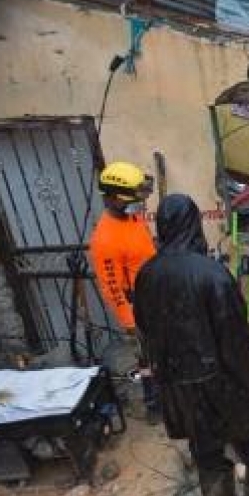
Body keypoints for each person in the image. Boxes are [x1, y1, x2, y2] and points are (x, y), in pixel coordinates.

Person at [133, 194, 249, 496]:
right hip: (223, 384)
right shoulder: (212, 275)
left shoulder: (146, 276)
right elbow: (238, 345)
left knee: (206, 448)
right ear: (195, 225)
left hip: (178, 387)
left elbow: (146, 334)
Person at [87, 161, 160, 424]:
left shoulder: (133, 218)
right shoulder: (105, 240)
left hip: (156, 297)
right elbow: (112, 288)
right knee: (147, 360)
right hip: (137, 307)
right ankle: (154, 405)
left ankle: (171, 398)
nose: (139, 202)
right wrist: (130, 323)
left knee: (164, 354)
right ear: (112, 197)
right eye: (133, 197)